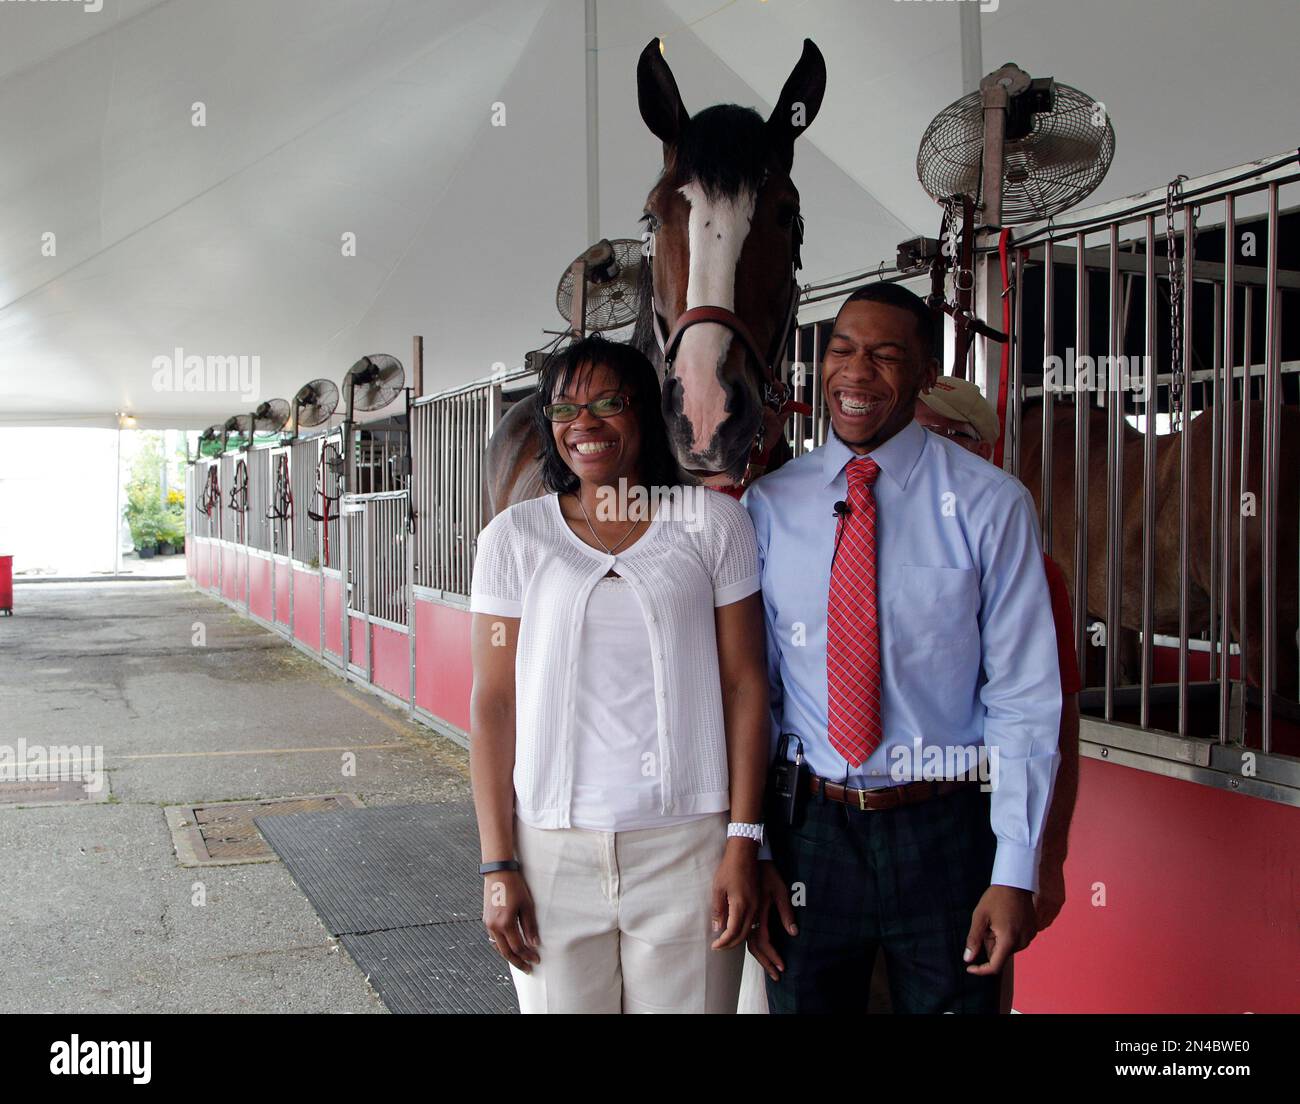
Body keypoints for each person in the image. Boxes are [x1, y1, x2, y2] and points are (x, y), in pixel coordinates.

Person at [742, 283, 1062, 1014]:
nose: (856, 373)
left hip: (946, 831)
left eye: (886, 356)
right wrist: (755, 846)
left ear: (925, 376)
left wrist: (1016, 869)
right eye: (843, 350)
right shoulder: (772, 504)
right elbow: (753, 693)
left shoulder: (991, 505)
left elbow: (1025, 695)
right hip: (809, 831)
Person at [468, 335, 769, 1014]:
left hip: (689, 847)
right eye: (565, 408)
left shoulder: (714, 524)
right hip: (549, 854)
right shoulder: (514, 540)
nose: (586, 424)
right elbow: (493, 702)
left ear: (648, 412)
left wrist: (742, 841)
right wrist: (497, 864)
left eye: (609, 402)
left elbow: (746, 686)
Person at [912, 375, 1082, 1013]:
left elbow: (1051, 720)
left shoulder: (1033, 570)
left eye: (933, 437)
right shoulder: (840, 539)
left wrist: (1043, 857)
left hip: (970, 831)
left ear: (978, 451)